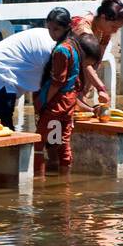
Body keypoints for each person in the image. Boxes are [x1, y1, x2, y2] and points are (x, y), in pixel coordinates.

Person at [0, 9, 71, 125]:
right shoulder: (57, 50)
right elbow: (55, 85)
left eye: (56, 30)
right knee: (1, 127)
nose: (52, 34)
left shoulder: (53, 42)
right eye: (51, 29)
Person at [36, 31, 102, 174]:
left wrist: (43, 103)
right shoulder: (69, 55)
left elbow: (58, 84)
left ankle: (40, 183)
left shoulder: (65, 51)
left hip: (55, 105)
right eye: (87, 64)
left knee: (39, 144)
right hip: (66, 106)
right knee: (62, 142)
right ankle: (64, 183)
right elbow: (70, 92)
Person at [71, 0, 123, 108]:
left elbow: (95, 63)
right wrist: (100, 88)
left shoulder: (104, 32)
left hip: (80, 73)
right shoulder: (83, 27)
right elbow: (85, 63)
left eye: (118, 28)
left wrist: (86, 90)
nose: (115, 31)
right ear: (103, 17)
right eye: (113, 27)